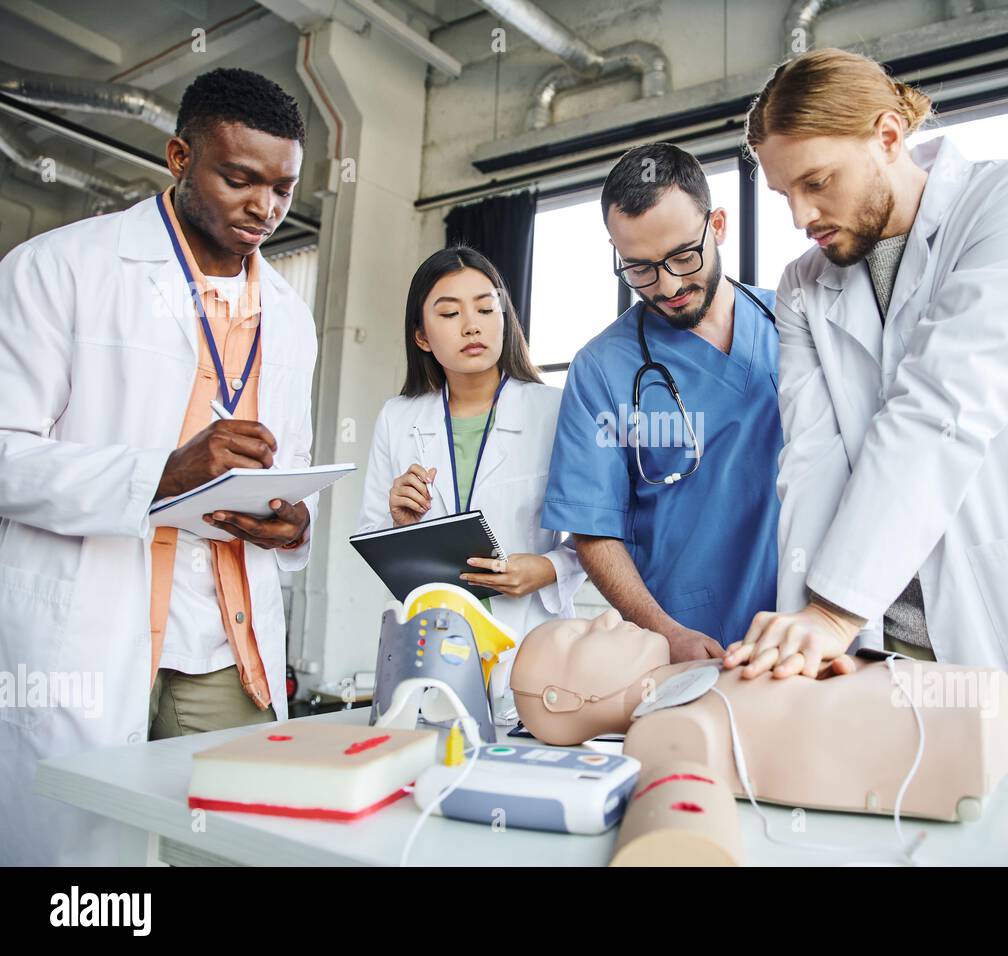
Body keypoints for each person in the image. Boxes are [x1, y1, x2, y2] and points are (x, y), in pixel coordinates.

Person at [730, 48, 1008, 771]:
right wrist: (807, 634)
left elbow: (944, 406)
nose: (800, 217)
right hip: (884, 640)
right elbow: (812, 462)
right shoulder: (801, 286)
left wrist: (832, 611)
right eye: (784, 193)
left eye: (816, 183)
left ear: (887, 136)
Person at [0, 68, 320, 864]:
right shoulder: (58, 269)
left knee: (242, 846)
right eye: (239, 178)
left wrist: (290, 521)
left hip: (222, 645)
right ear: (180, 157)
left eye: (282, 188)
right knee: (90, 878)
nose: (264, 208)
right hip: (88, 635)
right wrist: (158, 475)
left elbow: (297, 461)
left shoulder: (290, 313)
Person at [542, 143, 783, 662]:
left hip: (813, 634)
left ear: (717, 224)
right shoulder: (601, 369)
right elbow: (595, 530)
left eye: (682, 257)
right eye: (640, 269)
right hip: (694, 645)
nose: (667, 285)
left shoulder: (796, 323)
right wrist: (664, 632)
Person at [357, 246, 585, 641]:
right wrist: (399, 524)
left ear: (504, 319)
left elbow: (599, 531)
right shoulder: (397, 417)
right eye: (449, 313)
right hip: (432, 633)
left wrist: (548, 569)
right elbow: (373, 536)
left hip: (530, 633)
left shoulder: (557, 409)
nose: (471, 326)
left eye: (485, 308)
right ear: (422, 337)